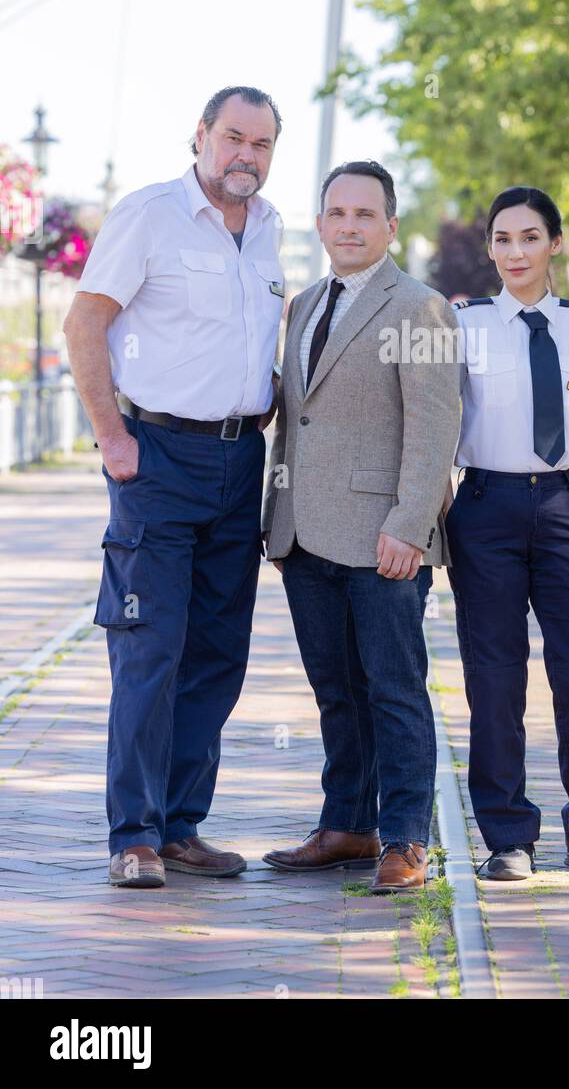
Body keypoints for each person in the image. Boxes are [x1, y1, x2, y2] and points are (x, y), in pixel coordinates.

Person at [63, 85, 285, 889]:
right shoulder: (149, 213)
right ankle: (134, 836)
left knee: (218, 656)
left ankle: (183, 825)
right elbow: (84, 322)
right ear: (200, 137)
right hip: (156, 456)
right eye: (233, 138)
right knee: (149, 653)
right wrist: (112, 437)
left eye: (261, 145)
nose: (245, 157)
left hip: (239, 464)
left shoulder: (269, 230)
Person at [261, 160, 460, 894]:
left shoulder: (422, 307)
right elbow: (298, 417)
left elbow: (436, 427)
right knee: (335, 690)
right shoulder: (305, 303)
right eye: (336, 214)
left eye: (363, 215)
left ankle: (406, 837)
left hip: (384, 535)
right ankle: (348, 823)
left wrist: (409, 524)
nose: (348, 226)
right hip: (302, 534)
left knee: (395, 688)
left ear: (389, 226)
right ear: (320, 225)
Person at [446, 186, 569, 880]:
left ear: (554, 243)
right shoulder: (460, 322)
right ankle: (507, 837)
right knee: (494, 676)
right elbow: (438, 420)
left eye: (529, 237)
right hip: (483, 510)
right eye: (502, 239)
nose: (514, 252)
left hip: (562, 509)